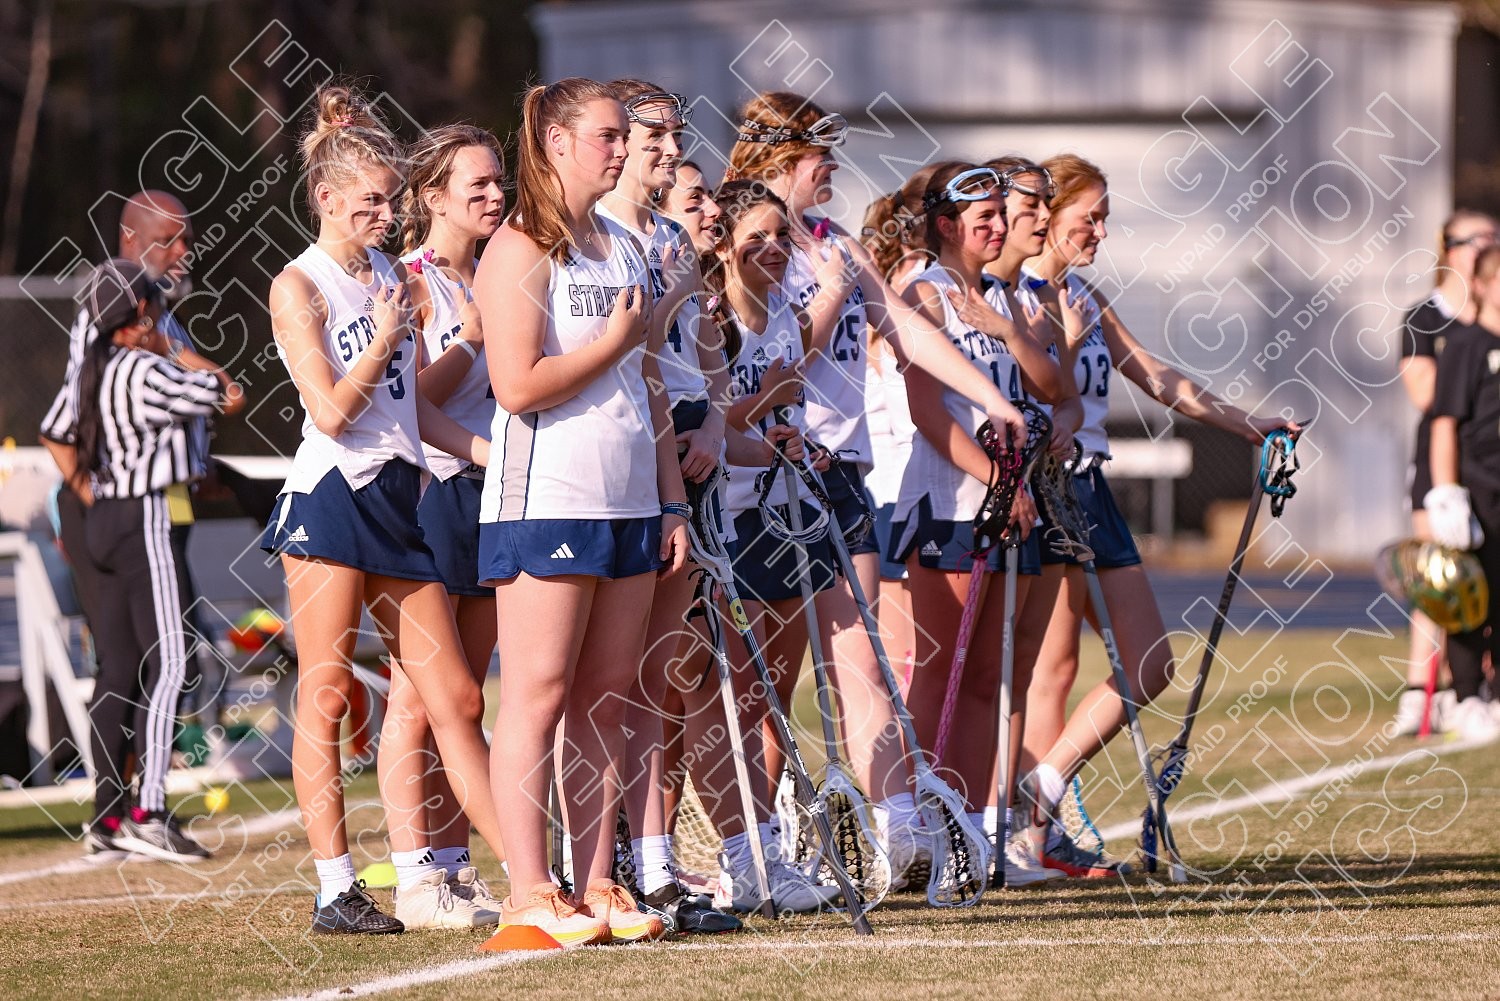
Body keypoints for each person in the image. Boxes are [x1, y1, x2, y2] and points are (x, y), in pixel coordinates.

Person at [725, 92, 1028, 880]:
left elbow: (908, 327)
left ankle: (899, 830)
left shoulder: (836, 242)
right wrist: (827, 293)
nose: (833, 165)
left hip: (841, 476)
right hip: (763, 478)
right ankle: (757, 847)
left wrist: (994, 397)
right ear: (785, 158)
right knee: (769, 680)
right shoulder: (748, 244)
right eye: (820, 151)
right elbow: (785, 354)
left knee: (861, 665)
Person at [262, 83, 506, 935]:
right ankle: (336, 887)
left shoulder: (395, 275)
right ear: (326, 199)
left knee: (459, 700)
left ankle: (527, 875)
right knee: (326, 695)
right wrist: (387, 336)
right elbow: (330, 411)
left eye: (391, 199)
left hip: (403, 497)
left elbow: (420, 406)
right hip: (332, 499)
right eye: (371, 201)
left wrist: (499, 449)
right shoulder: (300, 283)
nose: (385, 213)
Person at [1014, 153, 1298, 872]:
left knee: (1149, 663)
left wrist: (1246, 422)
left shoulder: (1085, 294)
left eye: (1105, 217)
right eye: (1090, 217)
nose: (1101, 231)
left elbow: (1158, 377)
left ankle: (1041, 787)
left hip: (1092, 489)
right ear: (1047, 215)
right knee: (1053, 666)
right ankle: (1033, 832)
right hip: (1042, 488)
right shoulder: (1013, 298)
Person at [473, 77, 688, 946]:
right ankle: (528, 889)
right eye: (605, 135)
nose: (620, 148)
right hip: (547, 495)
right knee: (538, 691)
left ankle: (597, 883)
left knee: (607, 694)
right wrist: (608, 345)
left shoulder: (621, 248)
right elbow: (516, 385)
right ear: (557, 142)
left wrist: (672, 499)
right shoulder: (521, 245)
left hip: (631, 499)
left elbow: (649, 384)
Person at [39, 190, 242, 860]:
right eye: (170, 240)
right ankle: (125, 810)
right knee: (139, 659)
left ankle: (115, 818)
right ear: (132, 237)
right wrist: (91, 490)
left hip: (137, 502)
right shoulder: (116, 312)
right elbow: (66, 422)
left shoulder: (150, 312)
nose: (184, 253)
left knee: (138, 658)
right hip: (121, 506)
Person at [891, 161, 1069, 884]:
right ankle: (918, 824)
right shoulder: (923, 291)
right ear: (944, 224)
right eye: (982, 215)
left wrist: (1007, 325)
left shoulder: (996, 294)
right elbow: (928, 410)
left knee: (987, 679)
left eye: (1003, 212)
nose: (998, 225)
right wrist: (999, 478)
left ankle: (963, 820)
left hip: (1008, 502)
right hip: (952, 503)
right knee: (942, 670)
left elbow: (1050, 383)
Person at [595, 79, 739, 933]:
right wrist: (663, 482)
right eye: (650, 134)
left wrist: (717, 420)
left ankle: (652, 861)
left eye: (672, 135)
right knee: (603, 677)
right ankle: (601, 855)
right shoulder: (594, 237)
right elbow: (634, 367)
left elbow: (705, 347)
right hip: (619, 460)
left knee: (661, 672)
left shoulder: (673, 245)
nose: (663, 148)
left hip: (682, 450)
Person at [385, 123, 509, 928]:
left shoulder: (508, 270)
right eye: (479, 185)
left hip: (494, 497)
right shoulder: (412, 281)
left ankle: (458, 865)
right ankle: (414, 872)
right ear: (433, 197)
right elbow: (414, 404)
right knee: (423, 698)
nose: (497, 195)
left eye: (501, 181)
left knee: (469, 700)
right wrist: (489, 448)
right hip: (434, 493)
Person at [709, 177, 843, 913]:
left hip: (778, 515)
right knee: (718, 694)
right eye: (754, 235)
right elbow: (711, 425)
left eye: (780, 236)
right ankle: (712, 855)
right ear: (723, 242)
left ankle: (770, 848)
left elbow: (777, 421)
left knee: (770, 697)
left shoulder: (789, 316)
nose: (770, 248)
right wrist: (767, 407)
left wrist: (799, 443)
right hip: (720, 521)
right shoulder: (711, 318)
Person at [1395, 209, 1497, 735]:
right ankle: (1420, 693)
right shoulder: (1428, 320)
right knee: (1442, 581)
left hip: (1489, 466)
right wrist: (1470, 357)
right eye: (1477, 239)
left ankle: (1478, 686)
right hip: (1445, 464)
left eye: (1493, 238)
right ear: (1450, 248)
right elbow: (1425, 396)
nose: (1487, 245)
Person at [1427, 243, 1500, 740]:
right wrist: (1446, 491)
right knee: (1472, 599)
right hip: (1480, 493)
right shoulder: (1467, 345)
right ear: (1481, 284)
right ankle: (1467, 696)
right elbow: (1445, 423)